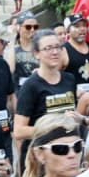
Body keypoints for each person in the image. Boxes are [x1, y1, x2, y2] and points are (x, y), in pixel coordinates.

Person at [14, 29, 79, 167]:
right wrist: (54, 127)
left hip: (66, 154)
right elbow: (19, 131)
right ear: (36, 54)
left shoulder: (70, 79)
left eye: (57, 47)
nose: (55, 52)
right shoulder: (31, 86)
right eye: (48, 48)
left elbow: (71, 114)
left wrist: (85, 120)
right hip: (40, 159)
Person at [5, 10, 40, 86]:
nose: (32, 30)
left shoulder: (41, 48)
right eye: (28, 27)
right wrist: (12, 38)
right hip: (19, 92)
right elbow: (10, 70)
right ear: (18, 27)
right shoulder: (12, 49)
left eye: (35, 27)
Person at [62, 14, 89, 86]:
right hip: (74, 95)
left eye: (84, 25)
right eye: (77, 26)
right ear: (68, 30)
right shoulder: (63, 50)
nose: (82, 29)